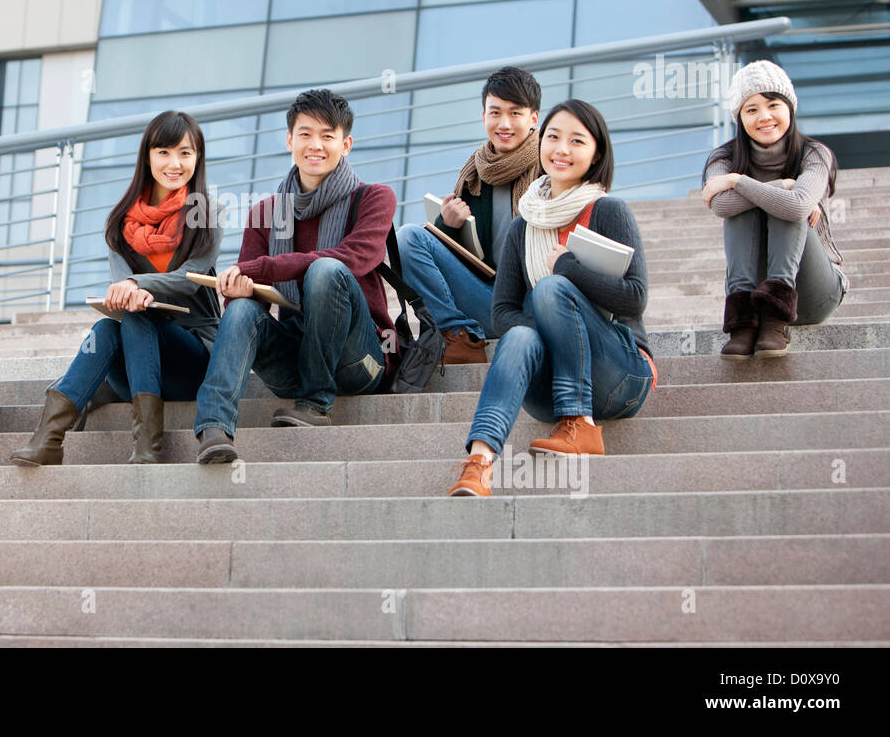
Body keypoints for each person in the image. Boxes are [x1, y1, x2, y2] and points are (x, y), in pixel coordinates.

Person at [448, 100, 657, 497]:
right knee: (522, 335)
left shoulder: (609, 211)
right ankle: (479, 461)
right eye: (553, 137)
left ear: (596, 154)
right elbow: (503, 311)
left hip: (620, 373)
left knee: (551, 287)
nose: (561, 149)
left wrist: (568, 269)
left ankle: (580, 421)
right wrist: (541, 330)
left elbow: (635, 298)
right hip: (550, 389)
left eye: (577, 140)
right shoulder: (521, 227)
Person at [192, 89, 397, 464]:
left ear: (346, 144)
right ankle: (214, 426)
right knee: (239, 311)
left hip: (361, 361)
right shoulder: (265, 213)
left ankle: (316, 404)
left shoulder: (374, 198)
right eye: (304, 134)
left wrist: (262, 268)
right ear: (290, 140)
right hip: (293, 362)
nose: (315, 145)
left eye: (327, 135)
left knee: (327, 270)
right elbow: (249, 294)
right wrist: (239, 291)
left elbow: (355, 258)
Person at [10, 111, 221, 466]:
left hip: (193, 360)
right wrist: (129, 289)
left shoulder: (206, 213)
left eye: (185, 153)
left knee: (135, 316)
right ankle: (49, 437)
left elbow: (191, 278)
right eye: (164, 152)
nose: (175, 163)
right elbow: (121, 287)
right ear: (147, 156)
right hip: (138, 373)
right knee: (115, 323)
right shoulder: (120, 221)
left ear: (197, 158)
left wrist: (136, 283)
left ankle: (148, 445)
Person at [397, 66, 543, 364]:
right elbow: (464, 256)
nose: (504, 123)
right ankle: (462, 336)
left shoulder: (550, 166)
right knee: (408, 238)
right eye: (495, 113)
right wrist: (446, 226)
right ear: (483, 117)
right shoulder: (474, 173)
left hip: (535, 305)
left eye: (515, 113)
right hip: (488, 299)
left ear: (534, 118)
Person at [701, 60, 847, 358]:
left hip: (813, 292)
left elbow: (797, 208)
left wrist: (737, 181)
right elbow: (722, 205)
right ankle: (742, 322)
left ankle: (777, 316)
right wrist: (783, 184)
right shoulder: (723, 158)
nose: (764, 117)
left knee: (788, 208)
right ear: (740, 118)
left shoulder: (815, 153)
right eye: (751, 109)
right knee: (752, 203)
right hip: (753, 296)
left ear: (789, 108)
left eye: (773, 105)